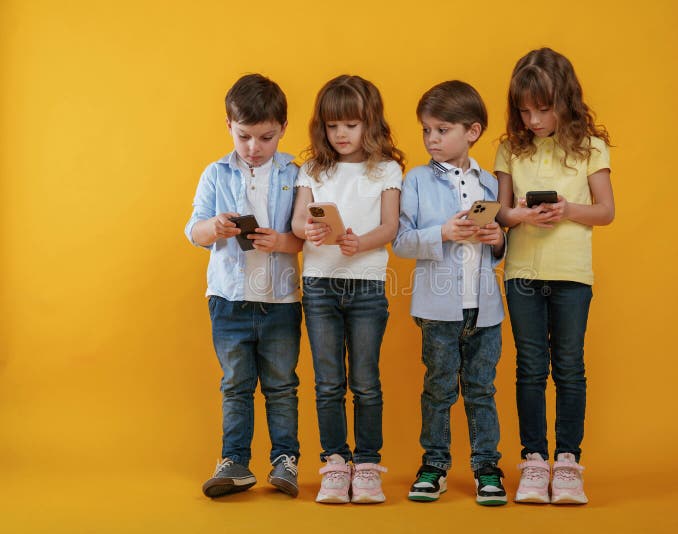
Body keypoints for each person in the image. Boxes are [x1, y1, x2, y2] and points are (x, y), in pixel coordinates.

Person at [495, 47, 615, 505]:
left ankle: (566, 462)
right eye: (524, 111)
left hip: (571, 274)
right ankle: (533, 460)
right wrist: (521, 214)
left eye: (542, 110)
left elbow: (605, 211)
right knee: (529, 369)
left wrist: (566, 210)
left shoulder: (591, 147)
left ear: (565, 100)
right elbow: (502, 215)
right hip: (522, 272)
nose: (534, 120)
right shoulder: (510, 147)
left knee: (568, 368)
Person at [185, 74, 304, 498]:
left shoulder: (296, 174)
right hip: (229, 298)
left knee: (281, 384)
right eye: (244, 136)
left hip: (281, 299)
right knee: (235, 383)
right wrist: (213, 227)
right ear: (229, 126)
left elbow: (305, 236)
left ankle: (285, 460)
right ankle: (234, 460)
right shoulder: (215, 173)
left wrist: (282, 241)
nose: (254, 148)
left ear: (283, 129)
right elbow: (192, 231)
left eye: (266, 138)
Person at [291, 75, 404, 504]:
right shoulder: (314, 168)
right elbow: (299, 221)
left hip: (367, 286)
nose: (341, 134)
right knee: (327, 382)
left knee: (365, 380)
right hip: (319, 284)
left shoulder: (386, 169)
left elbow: (390, 226)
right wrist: (312, 230)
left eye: (351, 125)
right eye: (333, 125)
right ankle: (335, 464)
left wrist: (362, 242)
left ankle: (368, 465)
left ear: (370, 124)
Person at [393, 80, 508, 506]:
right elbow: (401, 241)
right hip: (437, 308)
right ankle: (435, 465)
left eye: (442, 130)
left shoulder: (491, 184)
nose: (432, 139)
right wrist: (442, 232)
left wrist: (496, 239)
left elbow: (497, 251)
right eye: (426, 130)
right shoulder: (417, 180)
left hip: (485, 309)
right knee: (439, 388)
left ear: (472, 132)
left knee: (482, 389)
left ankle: (486, 468)